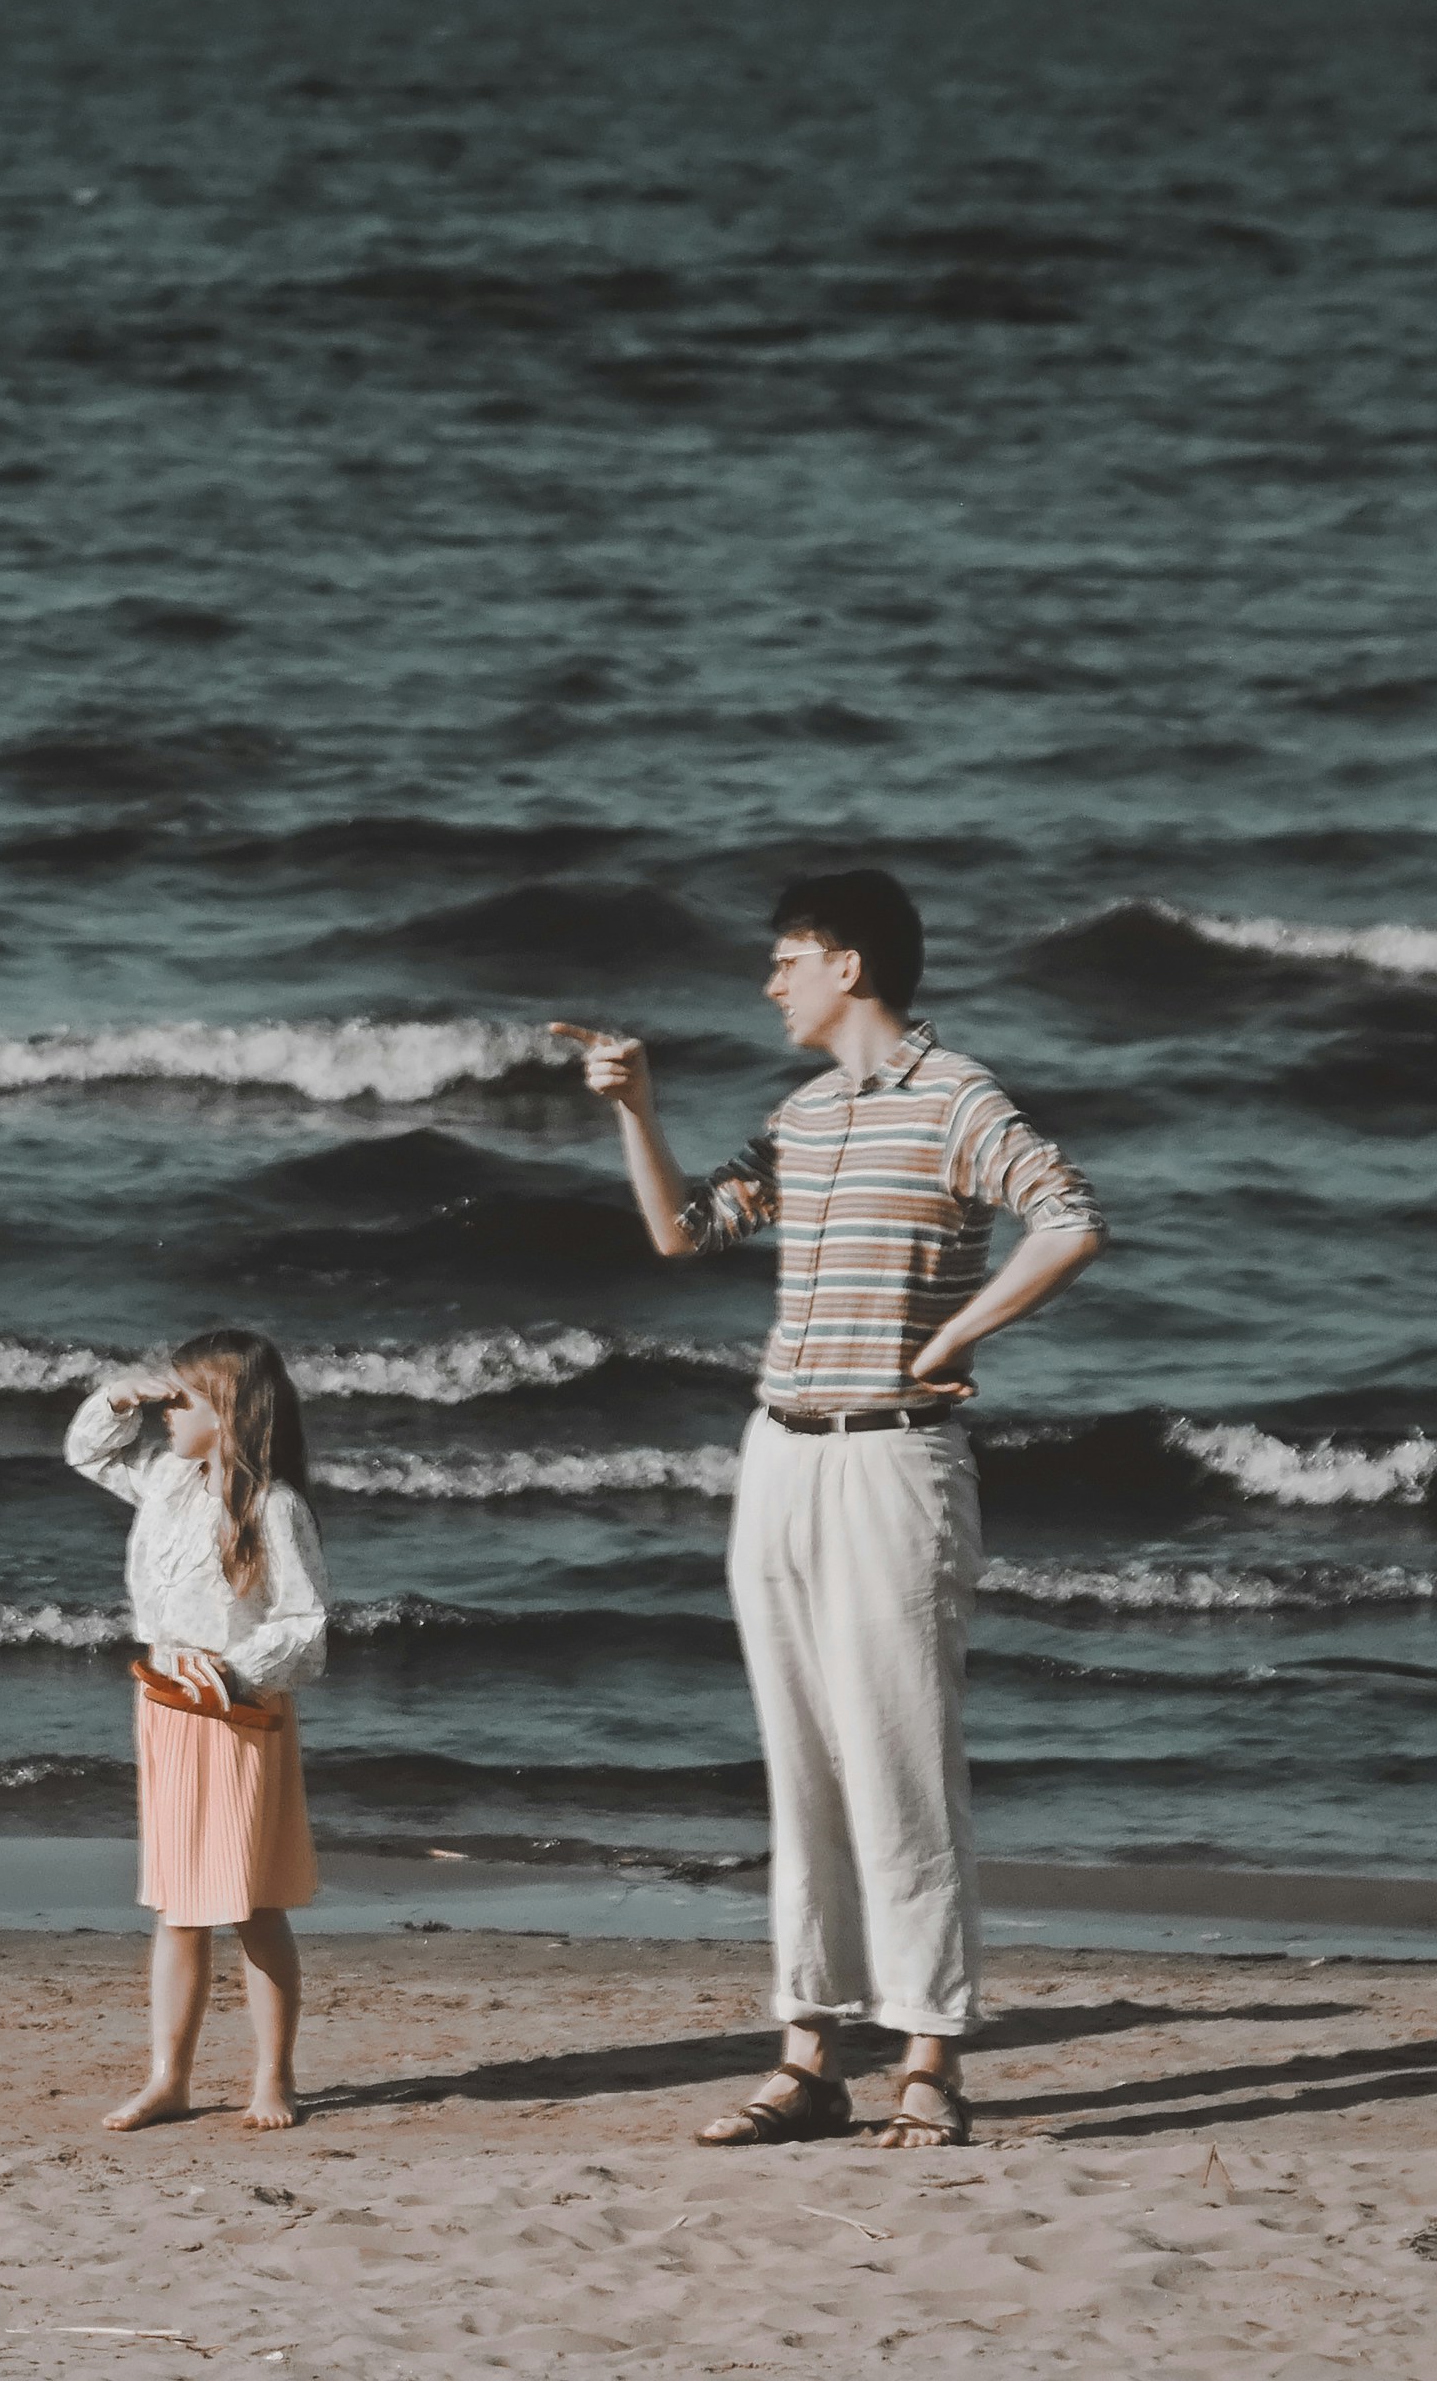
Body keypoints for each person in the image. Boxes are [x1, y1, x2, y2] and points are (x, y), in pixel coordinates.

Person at [549, 869, 1108, 2154]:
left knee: (902, 1759)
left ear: (849, 966)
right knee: (802, 1766)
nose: (771, 981)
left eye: (787, 958)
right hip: (783, 1454)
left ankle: (930, 2059)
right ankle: (809, 2053)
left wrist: (953, 1336)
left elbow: (1069, 1219)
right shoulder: (805, 1114)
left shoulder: (955, 1095)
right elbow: (686, 1232)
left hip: (894, 1458)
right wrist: (637, 1110)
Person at [64, 1327, 329, 2133]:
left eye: (181, 1398)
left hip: (239, 1710)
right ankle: (168, 2078)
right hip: (168, 1704)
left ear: (231, 1411)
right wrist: (120, 1394)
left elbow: (306, 1622)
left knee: (250, 1902)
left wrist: (240, 1672)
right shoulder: (169, 1479)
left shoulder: (273, 1505)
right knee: (178, 1906)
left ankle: (272, 2078)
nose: (163, 1409)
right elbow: (90, 1454)